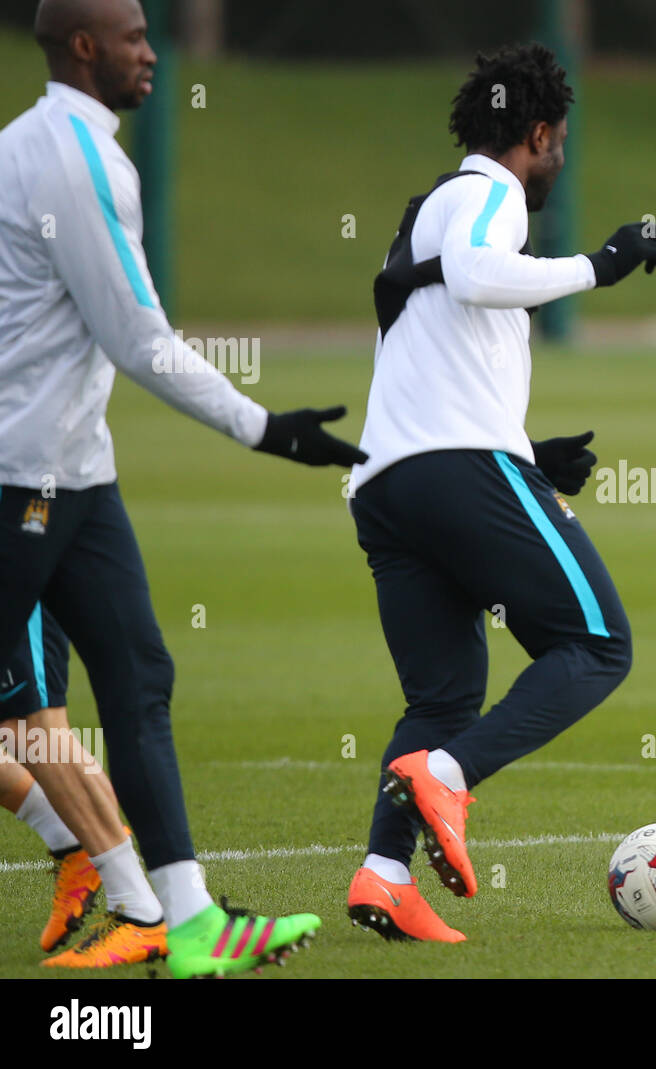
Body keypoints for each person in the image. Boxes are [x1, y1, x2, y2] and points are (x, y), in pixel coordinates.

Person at [0, 0, 366, 975]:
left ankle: (185, 919)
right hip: (18, 473)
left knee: (138, 678)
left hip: (75, 470)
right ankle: (105, 874)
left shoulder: (41, 148)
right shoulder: (74, 161)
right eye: (133, 37)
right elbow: (139, 338)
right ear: (85, 47)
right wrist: (265, 428)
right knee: (29, 709)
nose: (151, 54)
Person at [346, 42, 656, 942]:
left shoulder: (429, 210)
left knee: (442, 697)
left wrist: (531, 451)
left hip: (388, 485)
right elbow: (482, 278)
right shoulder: (487, 192)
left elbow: (440, 341)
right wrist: (603, 263)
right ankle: (449, 776)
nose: (557, 162)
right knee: (597, 643)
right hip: (455, 466)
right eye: (557, 144)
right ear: (536, 135)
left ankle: (382, 873)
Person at [0, 604, 151, 965]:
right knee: (23, 730)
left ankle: (137, 909)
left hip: (19, 570)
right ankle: (69, 841)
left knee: (33, 728)